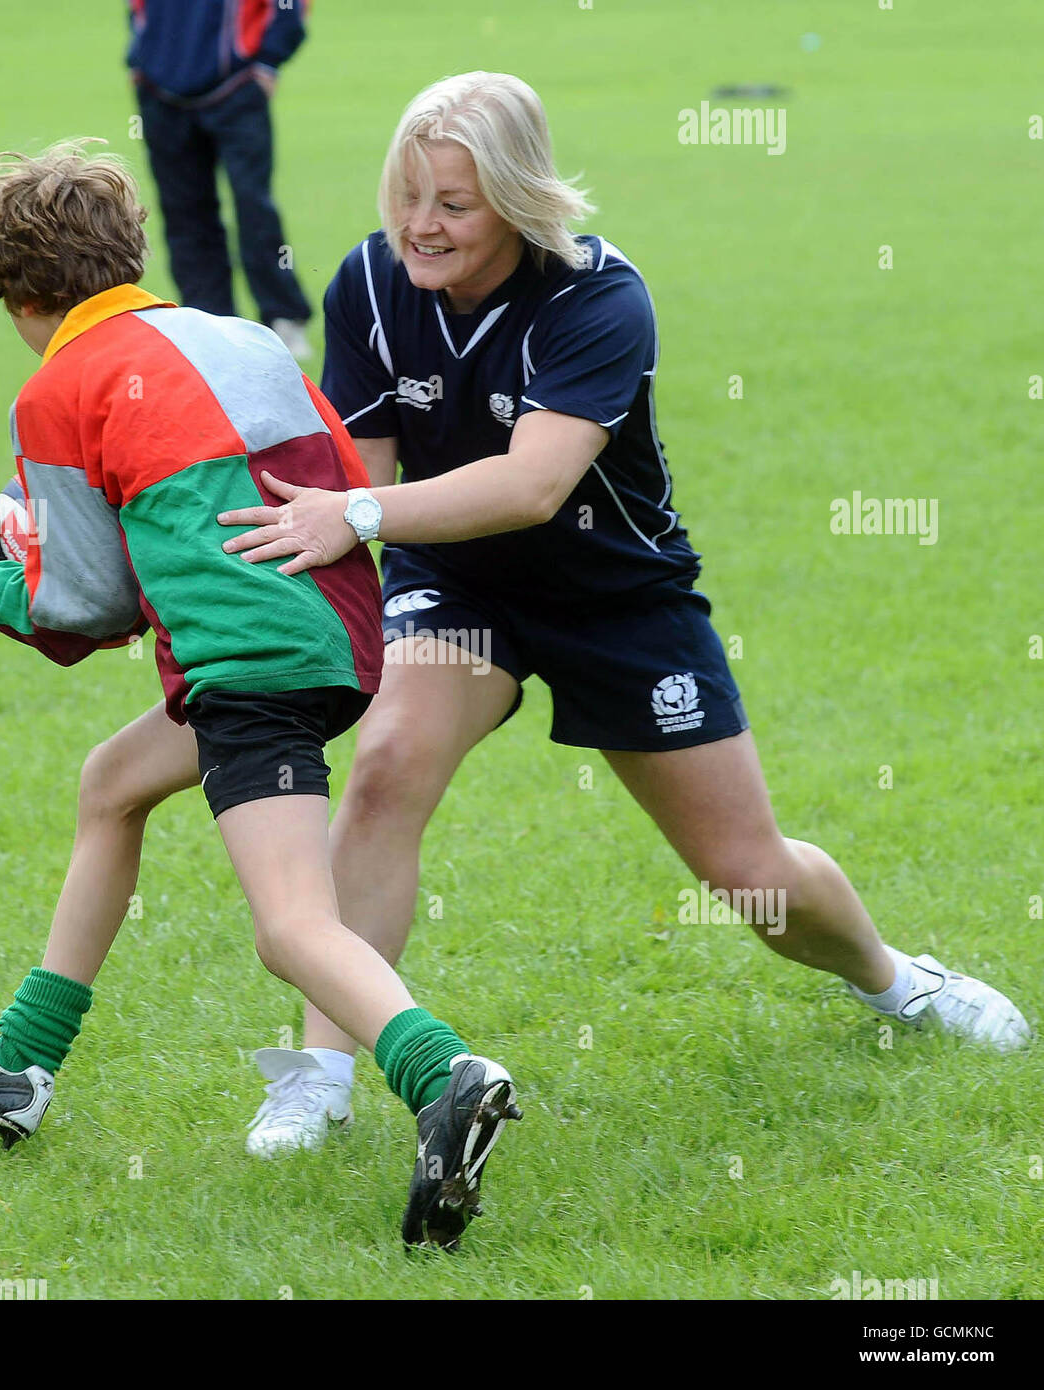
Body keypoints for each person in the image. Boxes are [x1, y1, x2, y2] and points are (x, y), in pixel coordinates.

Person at [211, 70, 1031, 1147]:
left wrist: (359, 509)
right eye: (407, 195)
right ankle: (320, 1070)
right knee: (387, 767)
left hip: (615, 596)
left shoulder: (599, 296)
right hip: (458, 584)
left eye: (453, 204)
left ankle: (893, 979)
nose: (421, 225)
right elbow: (355, 477)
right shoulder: (369, 283)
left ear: (513, 196)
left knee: (748, 876)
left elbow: (531, 484)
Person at [0, 141, 520, 1251]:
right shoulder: (236, 333)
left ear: (22, 296)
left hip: (251, 667)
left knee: (290, 925)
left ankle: (447, 1077)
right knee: (112, 784)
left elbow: (83, 598)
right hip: (340, 629)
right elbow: (333, 474)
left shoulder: (55, 388)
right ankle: (19, 1067)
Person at [127, 0, 314, 359]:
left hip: (237, 87)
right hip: (159, 92)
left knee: (252, 206)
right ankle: (208, 325)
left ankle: (284, 316)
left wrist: (268, 61)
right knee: (184, 215)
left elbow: (290, 8)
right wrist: (139, 58)